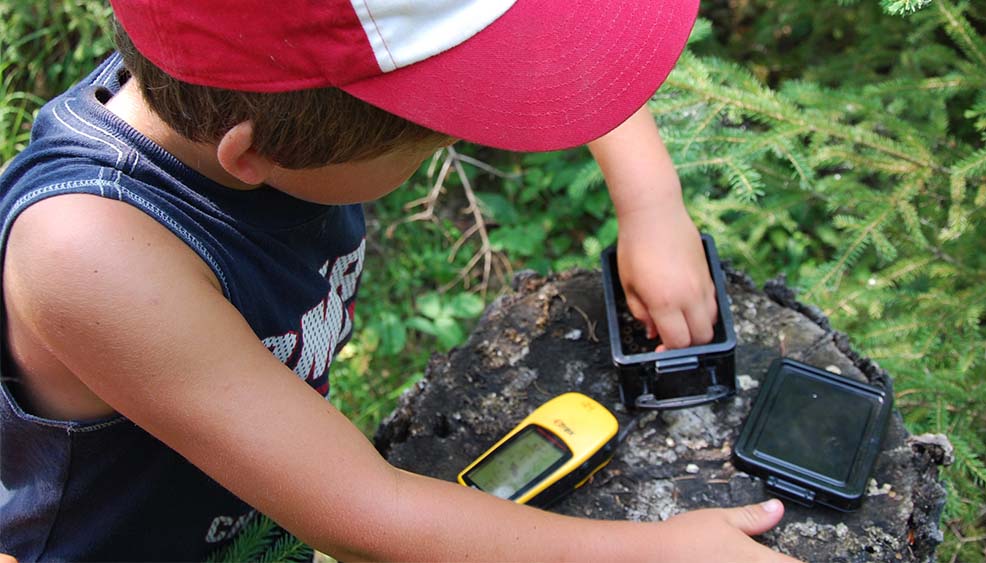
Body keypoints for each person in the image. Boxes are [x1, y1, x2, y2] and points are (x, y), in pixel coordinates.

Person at [0, 1, 798, 561]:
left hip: (253, 514)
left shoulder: (246, 94)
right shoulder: (89, 252)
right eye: (435, 134)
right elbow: (362, 515)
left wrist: (651, 201)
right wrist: (655, 553)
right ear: (258, 157)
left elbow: (527, 29)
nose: (465, 133)